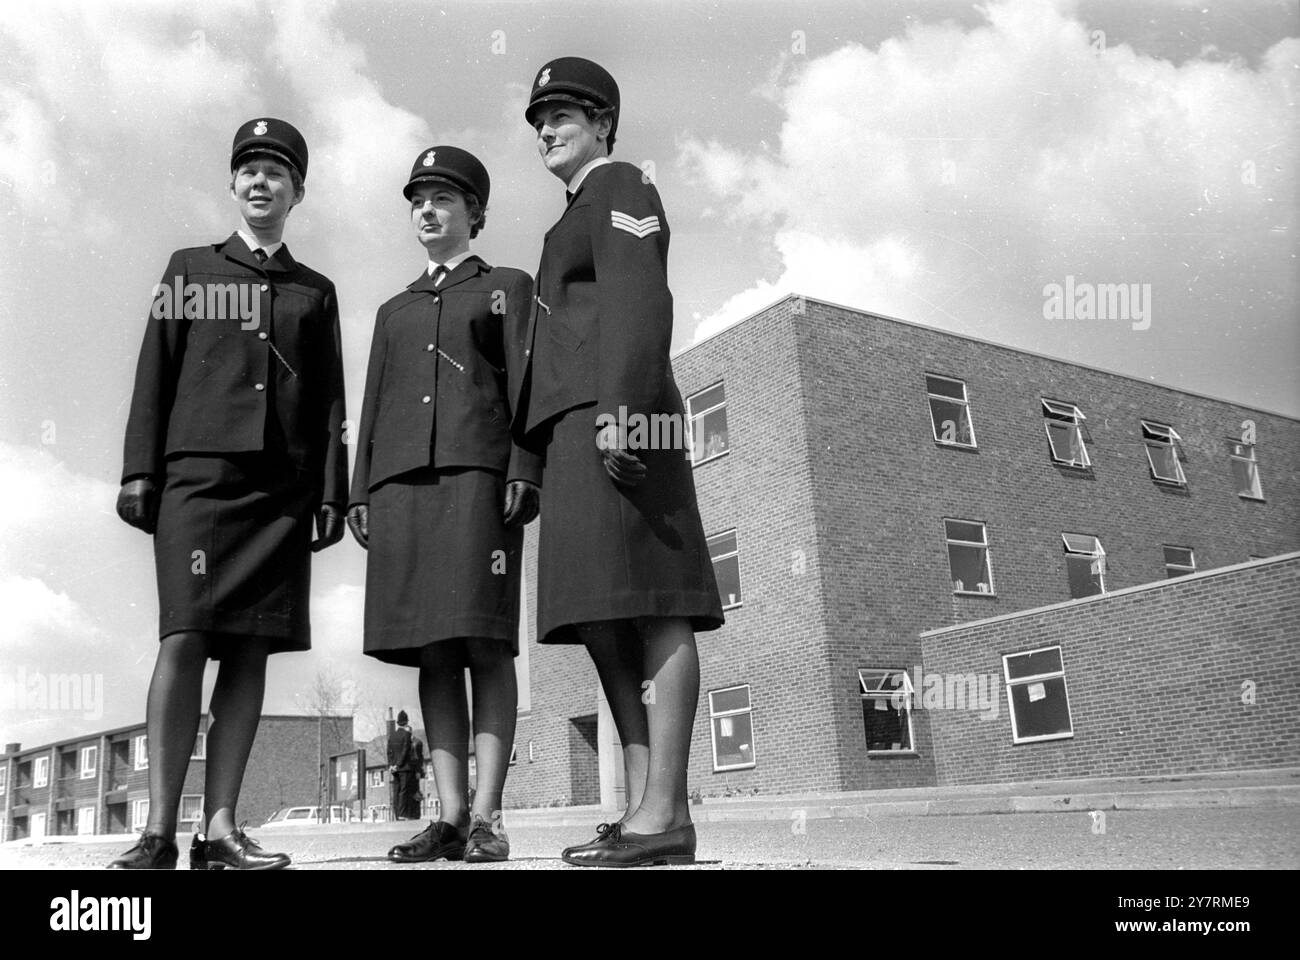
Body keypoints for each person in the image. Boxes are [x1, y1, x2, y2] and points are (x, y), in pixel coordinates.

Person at [111, 117, 347, 870]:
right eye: (248, 168)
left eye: (276, 171)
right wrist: (139, 470)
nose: (259, 181)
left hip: (280, 492)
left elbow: (330, 402)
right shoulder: (189, 268)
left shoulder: (316, 292)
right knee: (184, 637)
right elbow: (157, 369)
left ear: (297, 191)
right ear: (234, 184)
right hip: (199, 482)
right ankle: (156, 833)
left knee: (251, 651)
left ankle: (219, 832)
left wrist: (331, 494)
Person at [513, 57, 724, 867]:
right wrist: (529, 459)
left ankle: (665, 809)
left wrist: (625, 411)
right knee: (601, 611)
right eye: (538, 119)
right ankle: (645, 808)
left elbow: (641, 296)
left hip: (622, 418)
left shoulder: (623, 184)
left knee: (659, 601)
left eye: (563, 113)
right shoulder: (566, 218)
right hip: (573, 429)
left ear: (604, 121)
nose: (547, 128)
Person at [348, 146, 540, 864]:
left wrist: (525, 465)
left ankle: (489, 817)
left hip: (477, 481)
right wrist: (360, 488)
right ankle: (451, 818)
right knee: (432, 648)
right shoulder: (393, 309)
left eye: (443, 199)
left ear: (475, 214)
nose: (426, 210)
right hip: (401, 487)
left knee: (484, 640)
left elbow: (525, 386)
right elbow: (372, 406)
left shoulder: (508, 287)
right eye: (418, 199)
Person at [387, 710, 421, 819]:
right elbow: (405, 750)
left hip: (394, 768)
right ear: (406, 722)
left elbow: (389, 751)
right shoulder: (407, 734)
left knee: (396, 790)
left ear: (398, 723)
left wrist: (391, 765)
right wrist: (399, 764)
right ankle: (402, 813)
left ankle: (397, 814)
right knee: (404, 791)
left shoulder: (392, 736)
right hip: (404, 767)